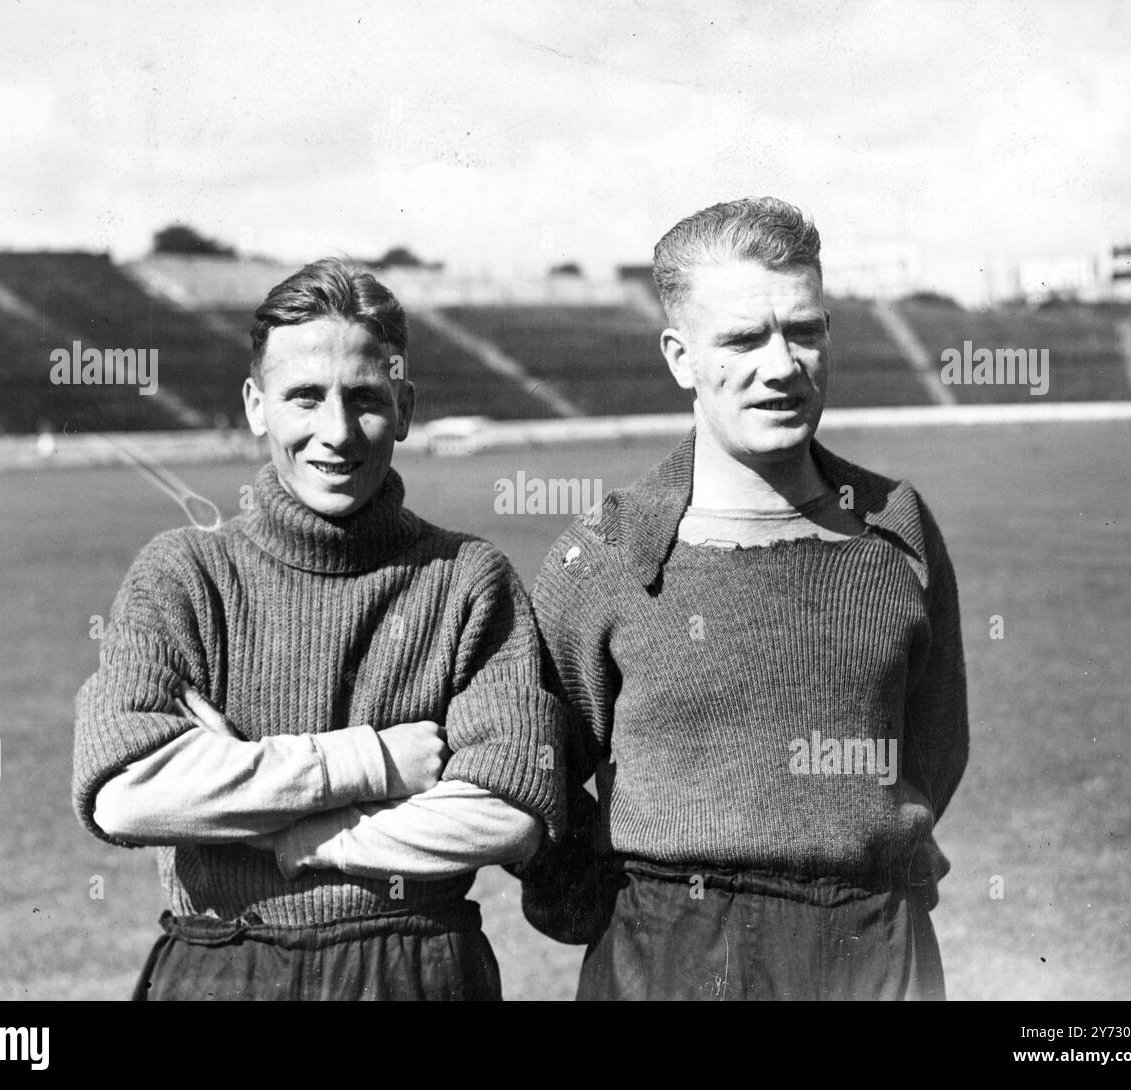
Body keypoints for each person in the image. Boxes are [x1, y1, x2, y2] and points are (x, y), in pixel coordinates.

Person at [73, 257, 564, 1001]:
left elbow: (509, 813)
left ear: (404, 407)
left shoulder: (467, 577)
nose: (336, 432)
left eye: (364, 398)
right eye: (304, 397)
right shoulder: (185, 573)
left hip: (414, 970)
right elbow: (128, 794)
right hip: (222, 966)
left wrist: (287, 834)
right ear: (255, 405)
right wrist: (368, 764)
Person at [517, 197, 969, 1000]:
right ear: (679, 356)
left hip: (870, 949)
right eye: (743, 338)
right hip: (668, 953)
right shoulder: (608, 553)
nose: (782, 365)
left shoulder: (896, 529)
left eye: (804, 330)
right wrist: (616, 894)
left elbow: (935, 747)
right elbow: (535, 765)